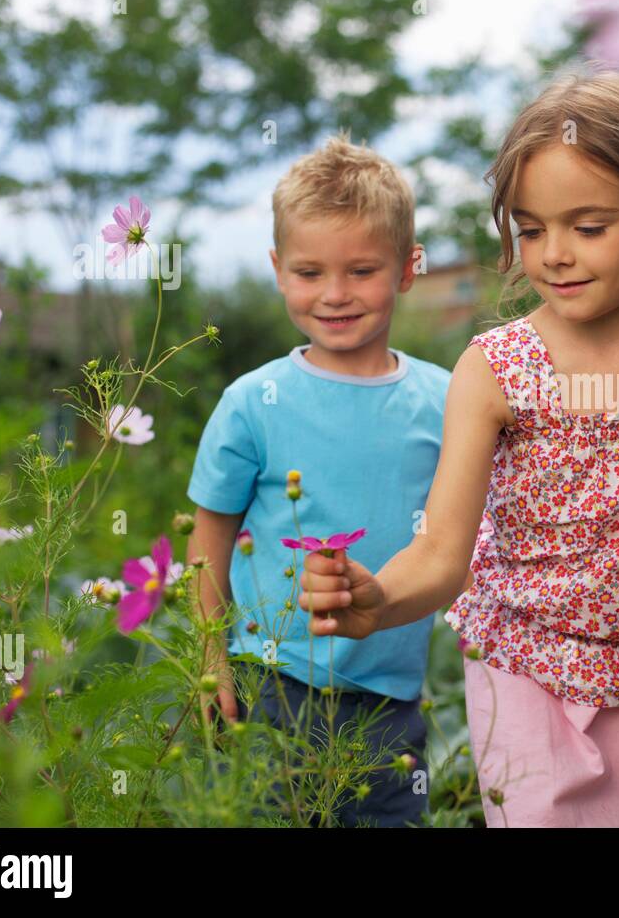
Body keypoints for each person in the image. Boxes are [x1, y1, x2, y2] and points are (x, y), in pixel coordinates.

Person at [299, 70, 619, 827]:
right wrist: (381, 601)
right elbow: (443, 553)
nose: (555, 253)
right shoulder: (496, 369)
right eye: (531, 229)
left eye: (588, 227)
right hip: (532, 683)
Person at [185, 133, 450, 827]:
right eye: (309, 272)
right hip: (269, 684)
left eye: (362, 270)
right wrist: (210, 657)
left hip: (391, 701)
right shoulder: (252, 401)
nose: (334, 295)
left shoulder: (446, 399)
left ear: (407, 268)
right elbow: (207, 540)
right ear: (277, 268)